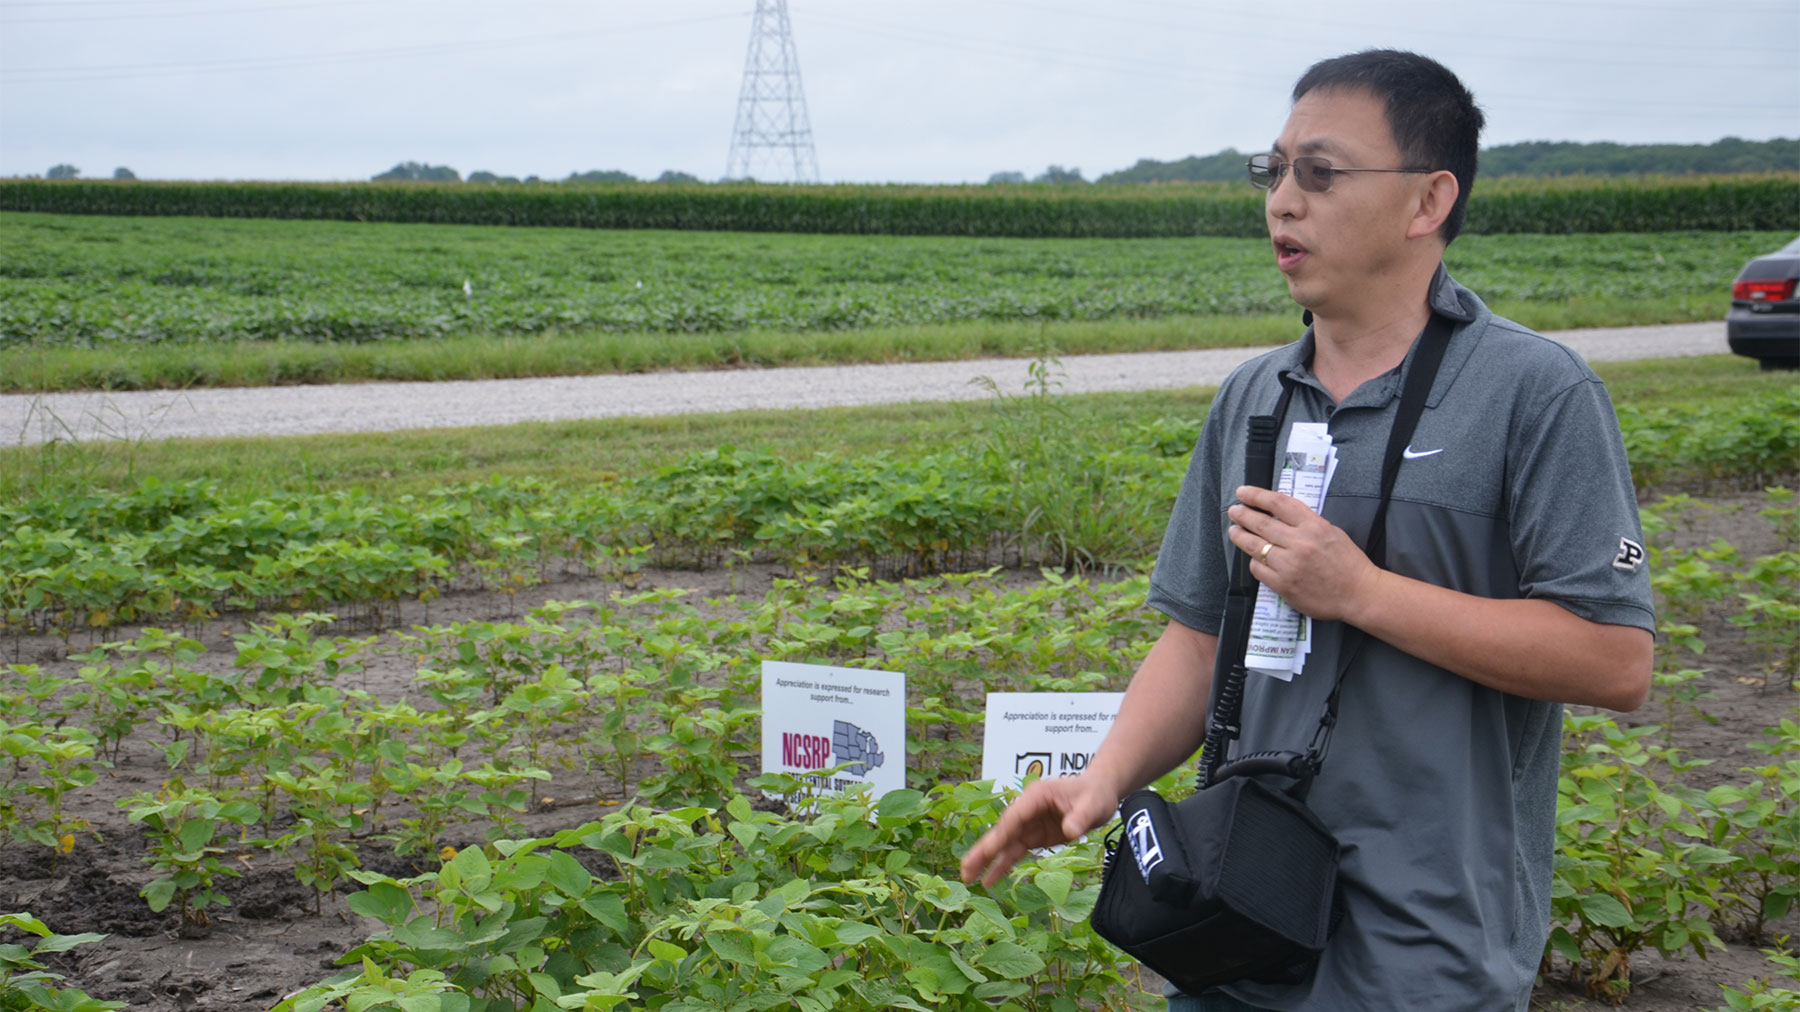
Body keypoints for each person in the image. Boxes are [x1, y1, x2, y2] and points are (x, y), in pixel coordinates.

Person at [959, 49, 1655, 1012]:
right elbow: (1203, 637)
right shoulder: (1254, 398)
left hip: (1427, 949)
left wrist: (1363, 593)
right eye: (1273, 170)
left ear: (1427, 201)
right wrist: (1100, 781)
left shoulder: (1534, 394)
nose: (1283, 200)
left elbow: (1614, 661)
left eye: (1320, 173)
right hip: (1236, 914)